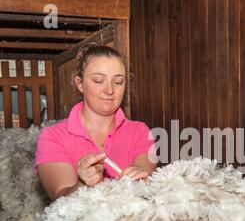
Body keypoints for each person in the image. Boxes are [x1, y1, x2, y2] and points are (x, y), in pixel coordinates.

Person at [35, 43, 156, 201]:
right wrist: (82, 184)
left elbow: (145, 180)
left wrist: (139, 176)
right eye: (99, 81)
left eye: (118, 82)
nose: (110, 90)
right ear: (80, 83)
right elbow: (60, 198)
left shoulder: (140, 131)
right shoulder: (52, 137)